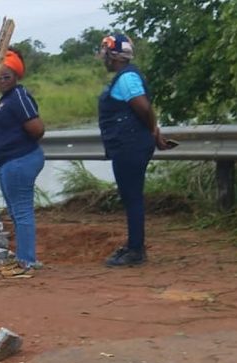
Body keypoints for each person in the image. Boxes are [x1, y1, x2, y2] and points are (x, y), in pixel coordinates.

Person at [98, 33, 170, 267]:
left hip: (130, 146)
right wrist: (153, 131)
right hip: (129, 144)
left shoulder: (127, 79)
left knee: (132, 198)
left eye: (106, 54)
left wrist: (152, 130)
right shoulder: (126, 77)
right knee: (132, 197)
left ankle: (136, 250)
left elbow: (143, 107)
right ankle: (134, 246)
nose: (103, 59)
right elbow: (144, 111)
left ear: (115, 56)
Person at [0, 48, 46, 277]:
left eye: (6, 76)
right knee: (16, 211)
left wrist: (15, 144)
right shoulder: (6, 99)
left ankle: (26, 262)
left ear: (16, 75)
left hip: (20, 159)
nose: (1, 81)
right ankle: (24, 258)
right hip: (10, 162)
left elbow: (37, 128)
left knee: (21, 212)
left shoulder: (19, 96)